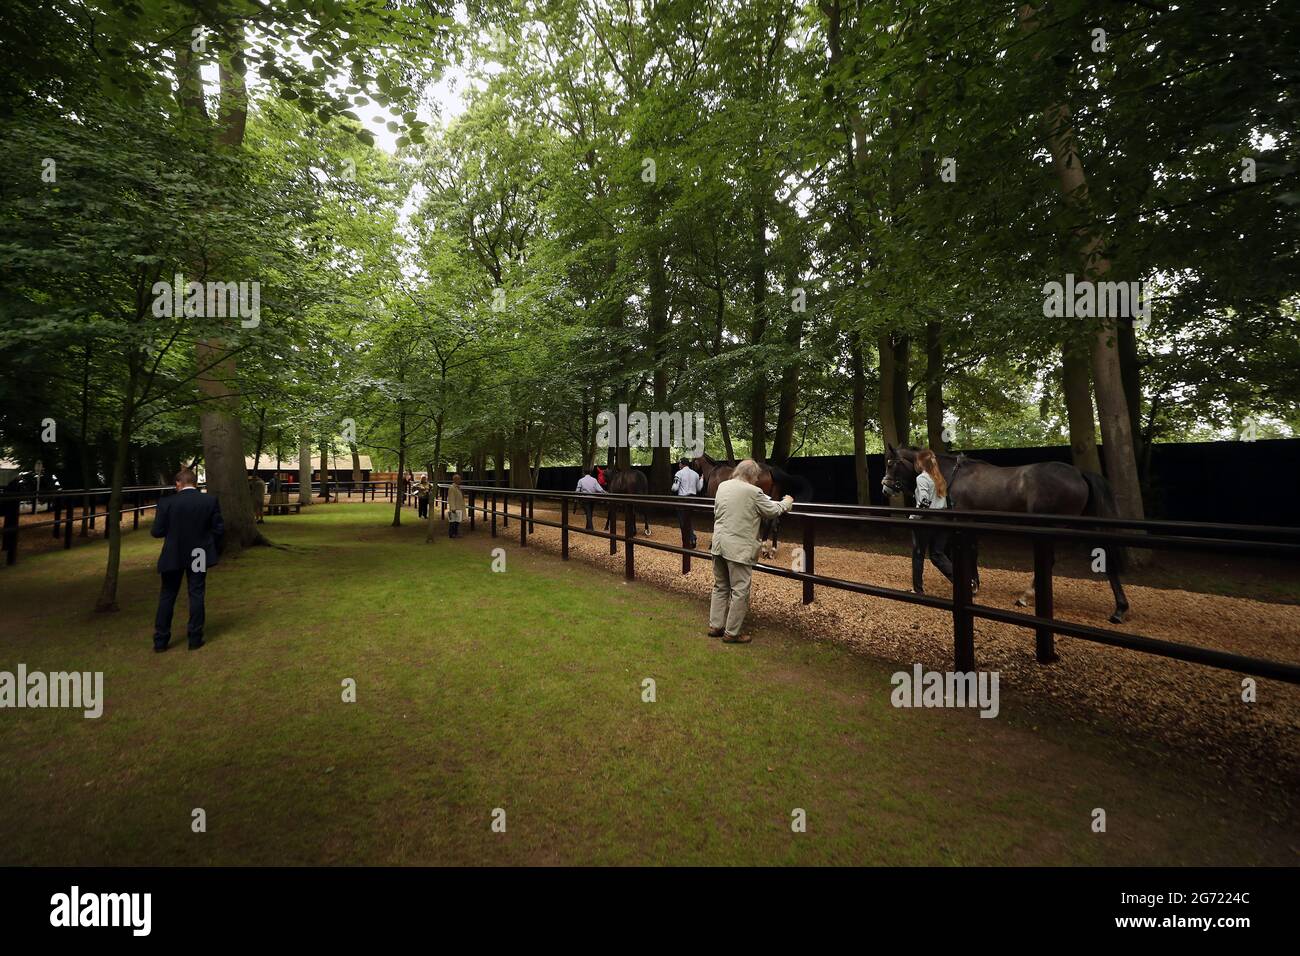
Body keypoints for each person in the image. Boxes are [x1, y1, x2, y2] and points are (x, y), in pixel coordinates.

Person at [708, 459, 793, 644]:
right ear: (753, 475)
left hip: (719, 544)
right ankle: (732, 632)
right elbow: (772, 510)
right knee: (740, 590)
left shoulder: (722, 486)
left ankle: (715, 626)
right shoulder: (754, 492)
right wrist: (786, 502)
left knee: (720, 586)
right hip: (738, 548)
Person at [151, 468, 223, 652]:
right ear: (195, 483)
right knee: (196, 593)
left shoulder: (166, 502)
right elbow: (218, 529)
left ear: (178, 483)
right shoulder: (208, 501)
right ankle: (195, 638)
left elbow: (157, 531)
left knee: (168, 595)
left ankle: (161, 640)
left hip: (173, 553)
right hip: (198, 552)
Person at [911, 448, 955, 594]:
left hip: (927, 520)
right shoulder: (940, 478)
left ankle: (918, 590)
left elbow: (924, 501)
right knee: (937, 554)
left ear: (921, 463)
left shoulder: (922, 478)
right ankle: (964, 582)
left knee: (918, 554)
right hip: (942, 519)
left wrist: (913, 517)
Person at [671, 459, 702, 549]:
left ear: (682, 464)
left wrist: (672, 487)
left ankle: (689, 539)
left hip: (682, 499)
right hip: (693, 499)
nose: (679, 465)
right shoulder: (695, 474)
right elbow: (699, 488)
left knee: (682, 521)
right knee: (688, 519)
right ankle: (691, 538)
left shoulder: (679, 473)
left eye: (679, 463)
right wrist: (702, 480)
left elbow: (675, 488)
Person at [447, 473, 466, 538]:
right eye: (459, 479)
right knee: (453, 522)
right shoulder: (452, 488)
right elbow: (451, 498)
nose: (460, 480)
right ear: (455, 480)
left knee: (457, 522)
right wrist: (453, 508)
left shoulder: (457, 487)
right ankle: (452, 534)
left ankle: (455, 533)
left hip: (458, 507)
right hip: (455, 508)